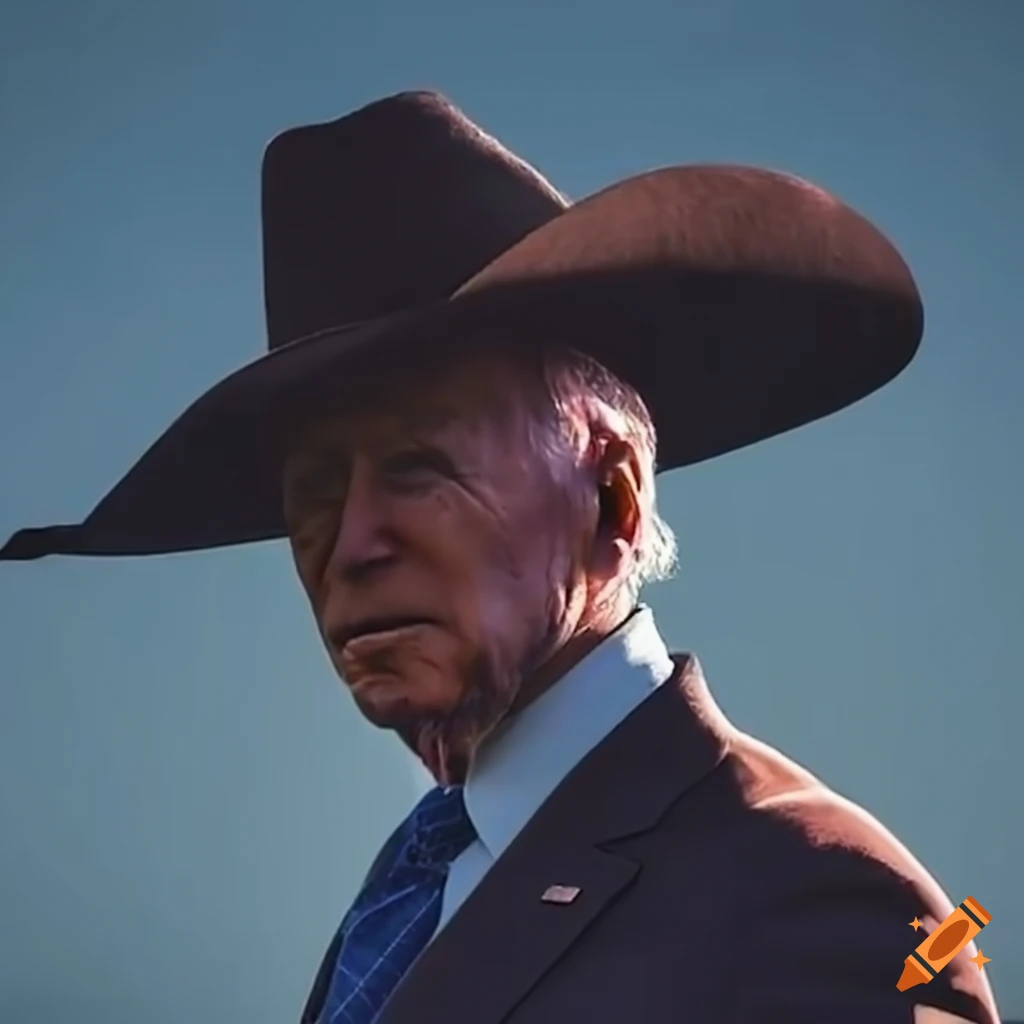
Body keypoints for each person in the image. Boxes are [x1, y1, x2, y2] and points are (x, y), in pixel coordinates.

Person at [1, 92, 1001, 1024]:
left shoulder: (818, 901)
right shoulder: (424, 877)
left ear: (610, 495)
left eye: (422, 468)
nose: (350, 545)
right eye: (310, 495)